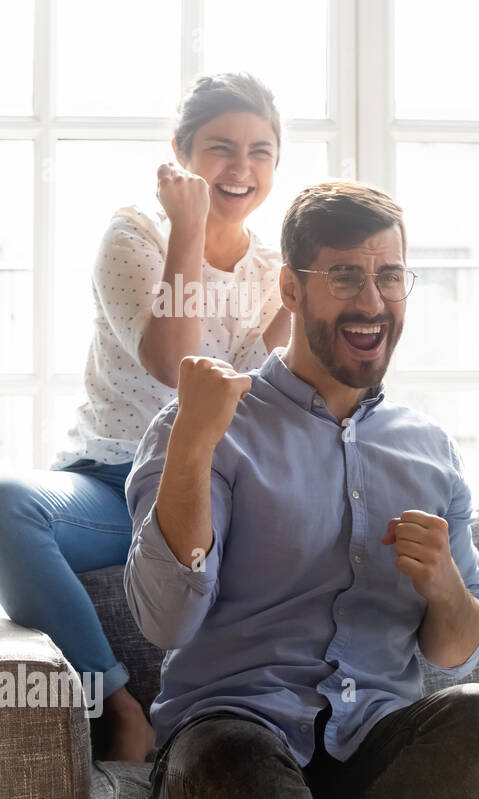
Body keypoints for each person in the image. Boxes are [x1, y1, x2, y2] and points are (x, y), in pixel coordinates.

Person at [123, 181, 479, 799]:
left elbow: (456, 650)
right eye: (345, 276)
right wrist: (193, 443)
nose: (371, 302)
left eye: (389, 276)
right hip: (232, 748)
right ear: (290, 287)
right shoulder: (207, 424)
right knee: (226, 752)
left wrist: (445, 586)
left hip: (374, 750)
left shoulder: (430, 449)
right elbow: (166, 622)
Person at [0, 72, 291, 761]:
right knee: (9, 506)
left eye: (261, 152)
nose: (241, 168)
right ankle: (118, 705)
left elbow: (265, 389)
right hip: (112, 480)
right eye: (222, 147)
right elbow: (173, 362)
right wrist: (188, 228)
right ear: (181, 154)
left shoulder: (274, 266)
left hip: (206, 488)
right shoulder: (133, 233)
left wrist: (299, 293)